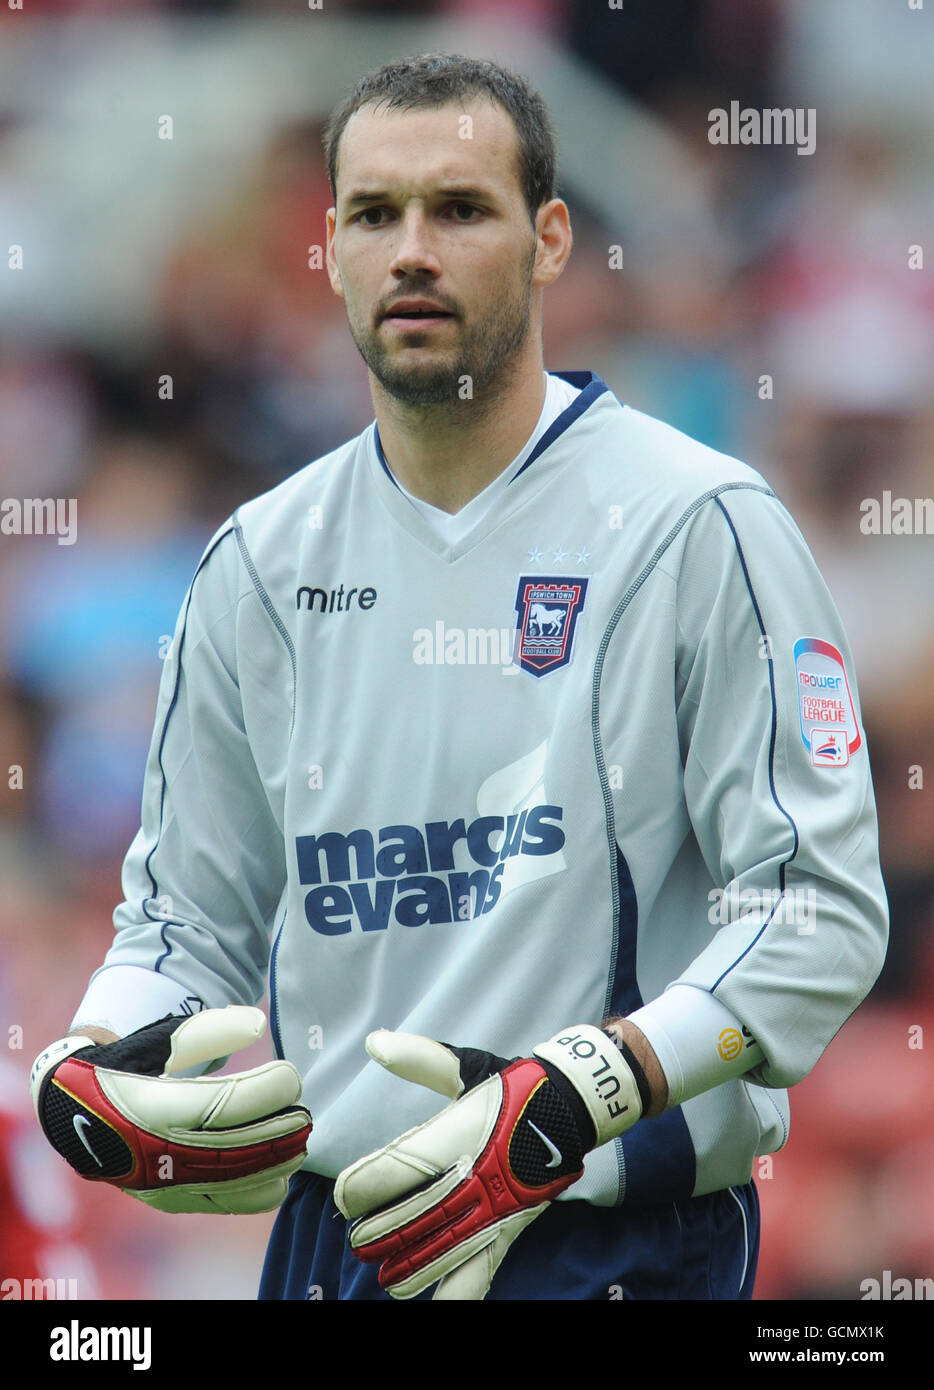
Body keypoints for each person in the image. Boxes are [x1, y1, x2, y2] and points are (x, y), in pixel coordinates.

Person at [29, 53, 888, 1301]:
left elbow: (817, 910)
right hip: (337, 1244)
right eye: (376, 215)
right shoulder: (258, 564)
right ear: (325, 247)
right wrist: (95, 1060)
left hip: (610, 1245)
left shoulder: (698, 521)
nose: (412, 251)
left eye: (461, 209)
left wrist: (576, 1093)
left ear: (549, 240)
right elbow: (182, 921)